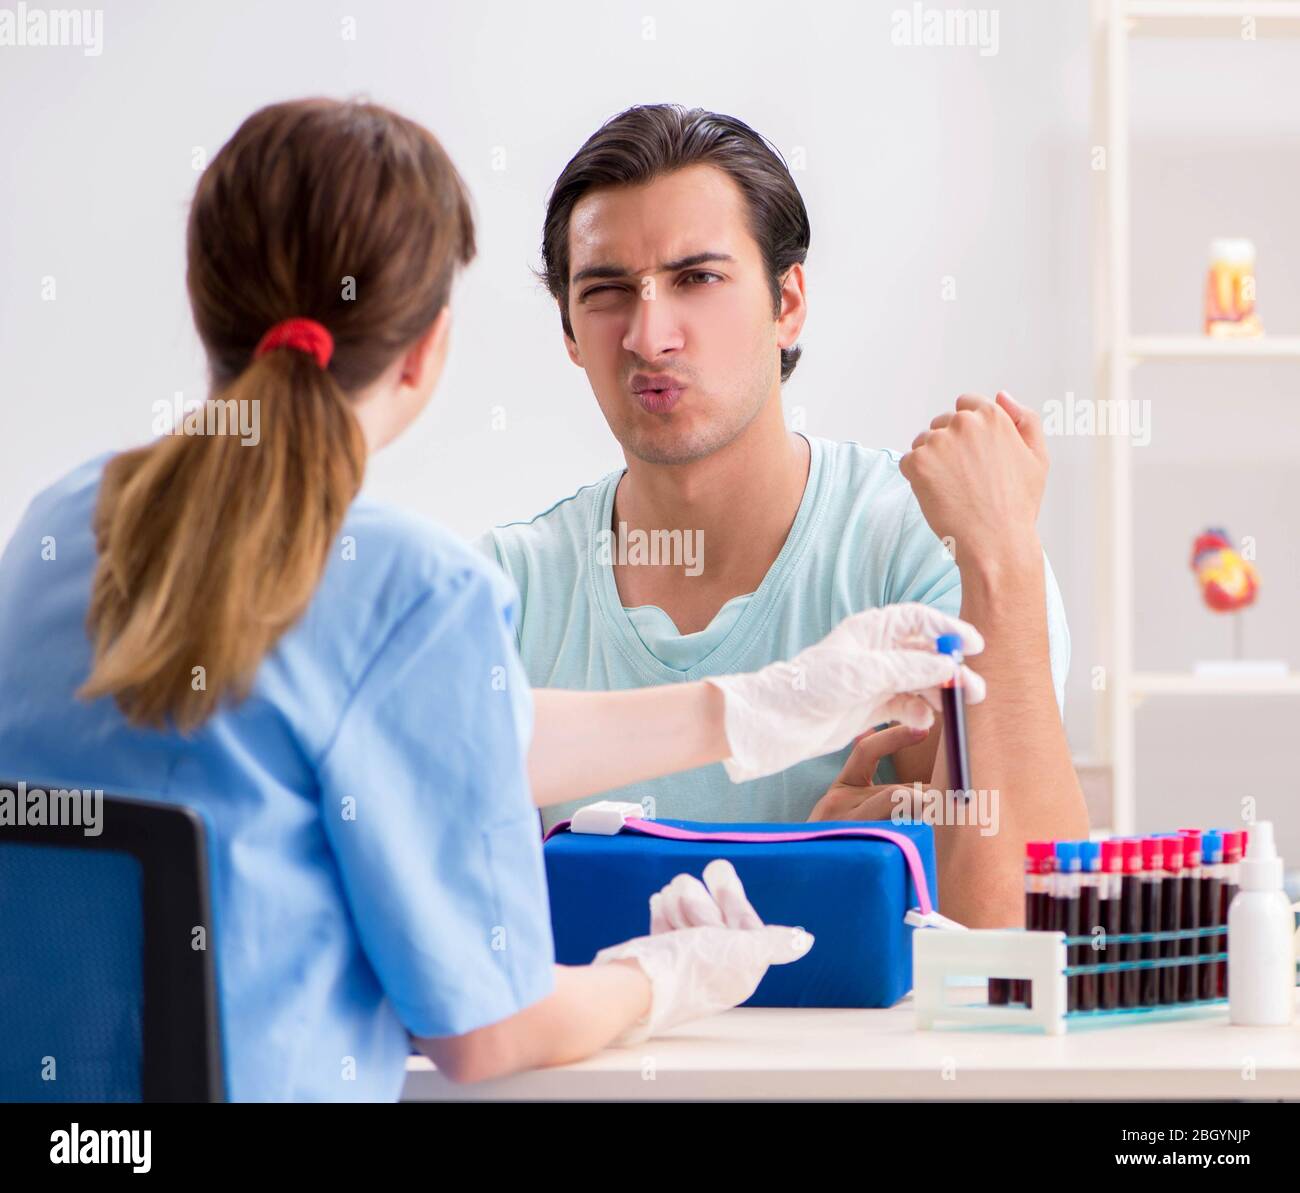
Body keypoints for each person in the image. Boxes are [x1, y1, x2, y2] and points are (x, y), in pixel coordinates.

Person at [0, 99, 984, 1101]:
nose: (653, 331)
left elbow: (438, 734)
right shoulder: (412, 586)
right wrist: (655, 980)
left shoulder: (54, 535)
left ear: (205, 305)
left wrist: (755, 705)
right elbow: (488, 1030)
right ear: (427, 350)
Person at [479, 104, 1089, 927]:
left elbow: (1024, 936)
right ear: (570, 334)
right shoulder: (506, 592)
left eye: (699, 278)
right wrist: (812, 875)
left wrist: (1005, 557)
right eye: (608, 291)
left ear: (788, 302)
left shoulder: (920, 548)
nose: (650, 335)